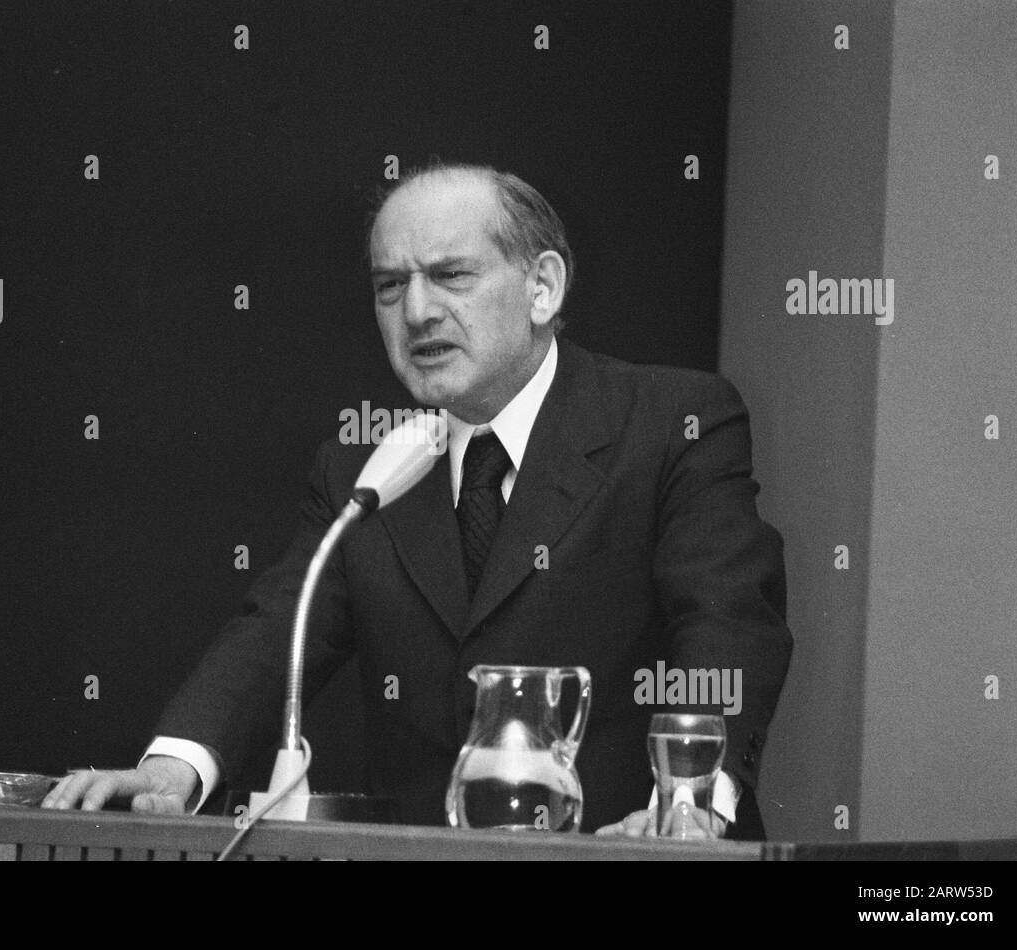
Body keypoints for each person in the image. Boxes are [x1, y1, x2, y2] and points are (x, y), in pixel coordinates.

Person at [43, 163, 793, 840]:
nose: (417, 311)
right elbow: (276, 630)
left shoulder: (671, 424)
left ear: (544, 287)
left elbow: (727, 625)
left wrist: (692, 800)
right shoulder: (367, 472)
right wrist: (173, 768)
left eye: (452, 276)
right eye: (390, 285)